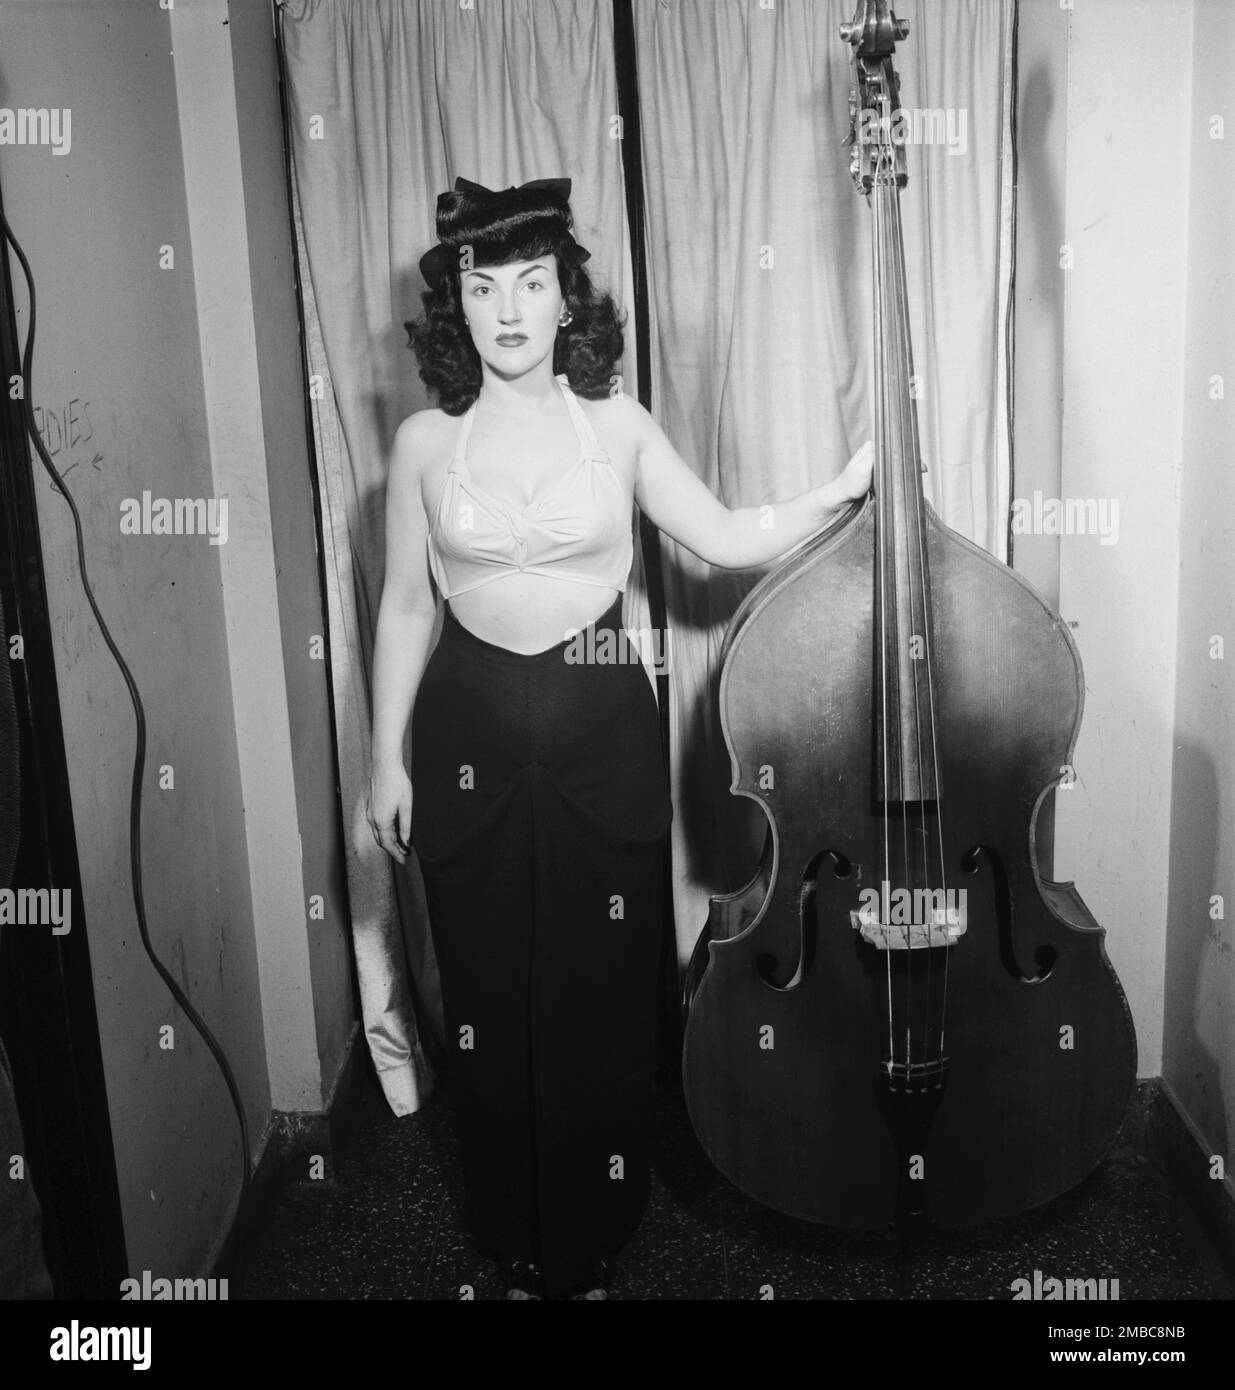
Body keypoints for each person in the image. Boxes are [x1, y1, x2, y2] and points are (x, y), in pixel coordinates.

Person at [367, 177, 872, 1300]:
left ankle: (590, 1241)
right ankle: (508, 1236)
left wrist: (839, 490)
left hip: (604, 742)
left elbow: (728, 538)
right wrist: (383, 760)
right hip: (464, 748)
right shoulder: (417, 444)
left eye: (529, 283)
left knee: (597, 999)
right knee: (489, 1006)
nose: (506, 309)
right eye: (481, 285)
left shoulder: (618, 424)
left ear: (564, 300)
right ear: (456, 305)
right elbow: (406, 603)